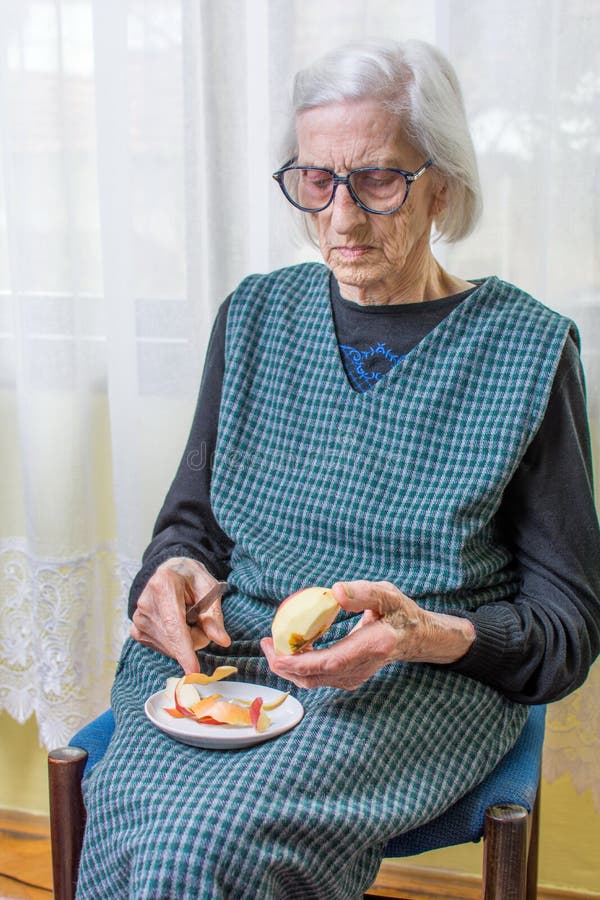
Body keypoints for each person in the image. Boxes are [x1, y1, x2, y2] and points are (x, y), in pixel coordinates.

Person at [76, 39, 600, 899]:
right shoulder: (254, 316)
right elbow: (193, 526)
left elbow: (567, 625)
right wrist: (172, 574)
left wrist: (427, 634)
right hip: (225, 668)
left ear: (444, 182)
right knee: (152, 827)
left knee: (215, 843)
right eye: (317, 181)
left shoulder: (528, 348)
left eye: (378, 180)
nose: (341, 221)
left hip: (413, 682)